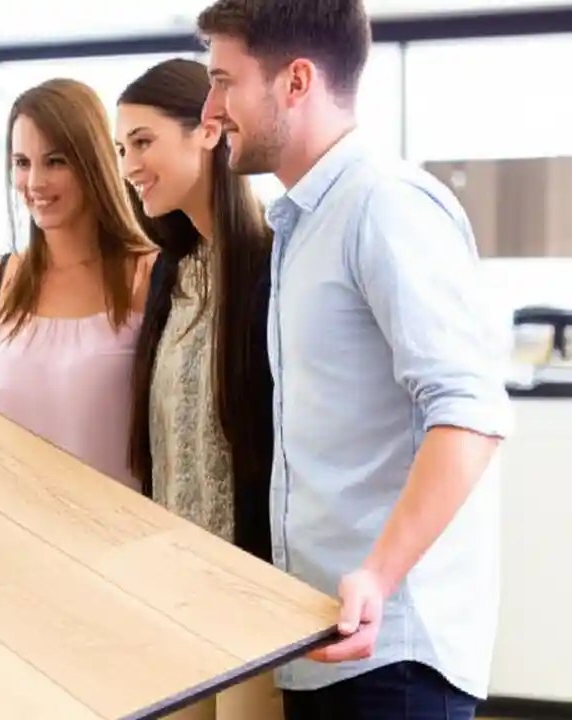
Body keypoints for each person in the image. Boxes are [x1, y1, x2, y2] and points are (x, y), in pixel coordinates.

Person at [197, 1, 512, 718]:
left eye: (224, 81)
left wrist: (377, 574)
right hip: (327, 643)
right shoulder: (302, 222)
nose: (212, 108)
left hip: (393, 652)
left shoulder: (384, 205)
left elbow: (471, 411)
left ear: (296, 81)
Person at [114, 58, 278, 720]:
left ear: (206, 131)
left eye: (143, 141)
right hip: (170, 591)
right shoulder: (169, 276)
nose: (128, 163)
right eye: (122, 148)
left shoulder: (275, 264)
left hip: (253, 595)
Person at [0, 77, 153, 490]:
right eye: (22, 162)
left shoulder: (147, 273)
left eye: (55, 161)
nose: (34, 182)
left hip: (121, 537)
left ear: (92, 161)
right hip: (15, 533)